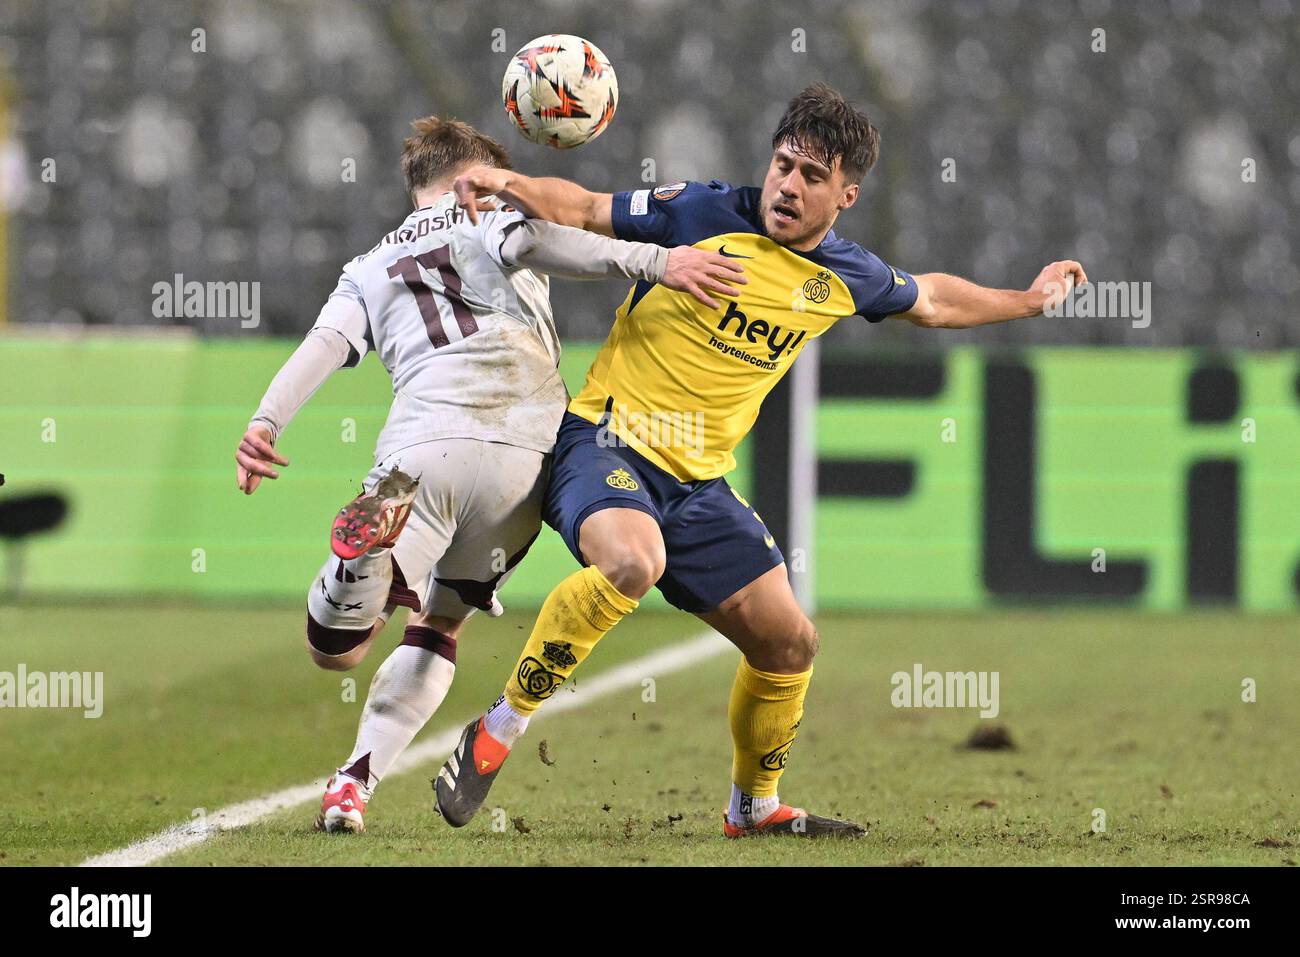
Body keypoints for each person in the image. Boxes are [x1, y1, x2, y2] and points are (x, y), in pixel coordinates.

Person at [434, 83, 1087, 838]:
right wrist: (508, 181)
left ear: (846, 195)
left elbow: (934, 300)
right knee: (633, 562)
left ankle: (753, 806)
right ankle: (499, 728)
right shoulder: (700, 211)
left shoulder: (844, 275)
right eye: (783, 165)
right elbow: (582, 207)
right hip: (606, 445)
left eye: (813, 177)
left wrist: (1028, 300)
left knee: (790, 642)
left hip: (698, 485)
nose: (788, 186)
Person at [233, 116, 745, 833]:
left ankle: (360, 566)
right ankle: (353, 781)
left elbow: (325, 344)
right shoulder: (489, 212)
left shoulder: (368, 266)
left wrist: (265, 423)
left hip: (420, 453)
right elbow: (538, 241)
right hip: (523, 458)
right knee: (441, 623)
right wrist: (658, 261)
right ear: (470, 176)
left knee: (338, 652)